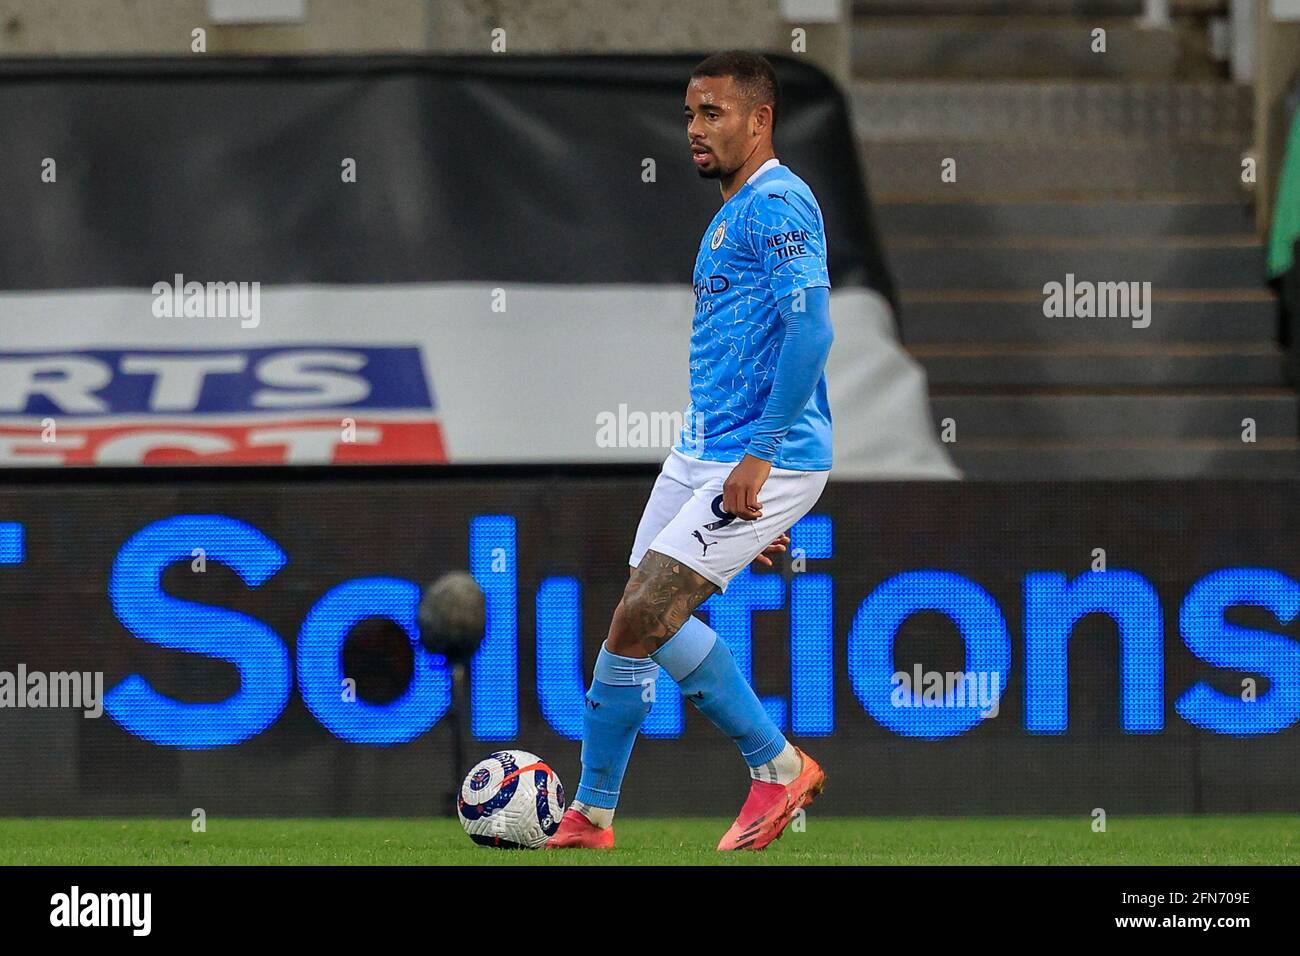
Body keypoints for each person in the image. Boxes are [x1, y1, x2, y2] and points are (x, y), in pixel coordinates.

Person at [548, 51, 834, 851]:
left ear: (759, 119)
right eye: (689, 115)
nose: (695, 130)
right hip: (703, 453)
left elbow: (812, 328)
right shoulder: (733, 210)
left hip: (761, 452)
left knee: (645, 611)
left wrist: (763, 462)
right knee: (637, 625)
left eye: (712, 113)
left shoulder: (779, 202)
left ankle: (775, 768)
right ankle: (591, 816)